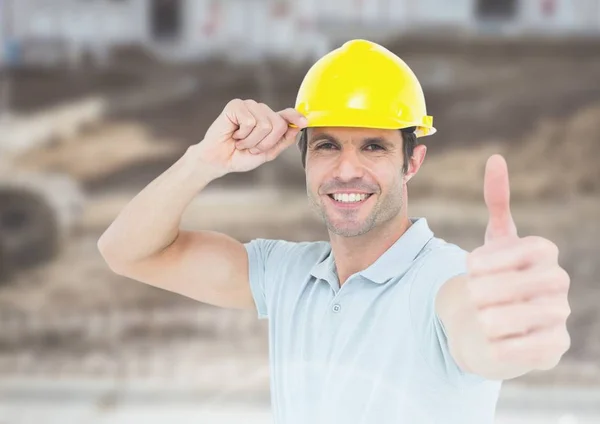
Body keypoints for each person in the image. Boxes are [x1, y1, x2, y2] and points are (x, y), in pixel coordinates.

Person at [98, 39, 572, 423]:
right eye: (326, 145)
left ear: (413, 161)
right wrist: (204, 159)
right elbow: (126, 251)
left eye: (373, 147)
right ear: (302, 158)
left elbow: (481, 333)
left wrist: (516, 330)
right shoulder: (284, 274)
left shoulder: (449, 279)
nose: (347, 170)